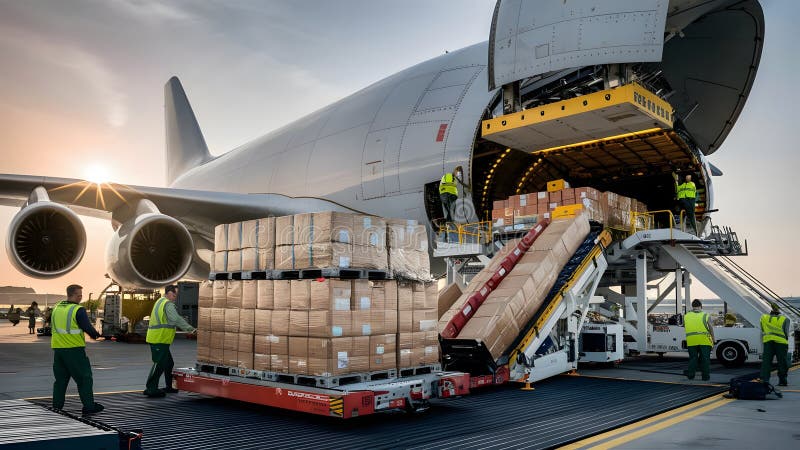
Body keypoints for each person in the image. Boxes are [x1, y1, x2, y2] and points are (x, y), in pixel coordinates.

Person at [51, 284, 104, 414]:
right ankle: (89, 406)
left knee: (60, 381)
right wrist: (97, 336)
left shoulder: (57, 307)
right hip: (74, 350)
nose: (81, 297)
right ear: (73, 295)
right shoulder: (77, 310)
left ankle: (57, 406)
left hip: (58, 350)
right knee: (84, 378)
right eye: (79, 295)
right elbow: (87, 327)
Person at [143, 284, 197, 398]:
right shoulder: (168, 304)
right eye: (173, 294)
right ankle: (151, 388)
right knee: (159, 364)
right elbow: (175, 319)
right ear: (168, 293)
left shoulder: (160, 301)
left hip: (160, 339)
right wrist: (191, 329)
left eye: (176, 295)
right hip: (159, 339)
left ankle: (169, 386)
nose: (175, 297)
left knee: (168, 363)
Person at [683, 299, 714, 381]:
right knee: (705, 359)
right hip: (704, 340)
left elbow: (685, 326)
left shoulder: (686, 315)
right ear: (701, 306)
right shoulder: (706, 315)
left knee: (693, 358)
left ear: (692, 307)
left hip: (691, 340)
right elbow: (710, 328)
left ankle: (691, 375)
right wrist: (713, 339)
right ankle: (705, 377)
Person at [759, 303, 790, 387]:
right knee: (782, 362)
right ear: (779, 311)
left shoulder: (763, 318)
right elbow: (786, 333)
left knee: (766, 361)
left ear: (771, 311)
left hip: (768, 342)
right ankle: (782, 381)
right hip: (781, 343)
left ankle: (764, 380)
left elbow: (762, 329)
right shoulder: (785, 319)